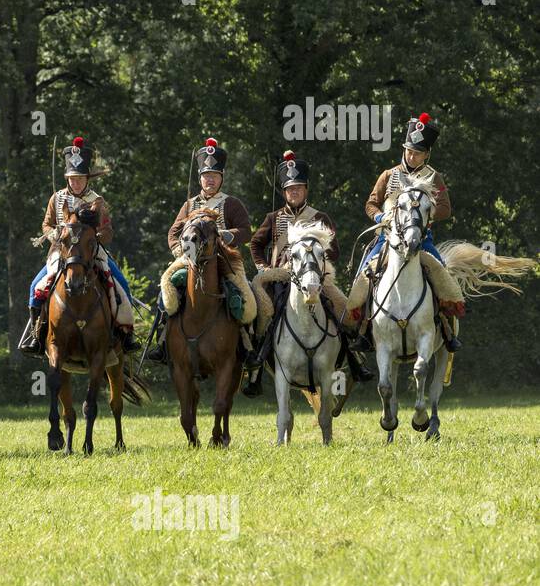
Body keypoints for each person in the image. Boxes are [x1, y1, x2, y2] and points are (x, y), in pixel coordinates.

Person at [241, 150, 372, 396]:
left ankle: (355, 362)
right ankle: (255, 370)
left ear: (306, 189)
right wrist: (264, 267)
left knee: (341, 312)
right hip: (280, 275)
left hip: (315, 278)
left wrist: (318, 265)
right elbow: (256, 244)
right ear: (284, 192)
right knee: (262, 315)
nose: (294, 192)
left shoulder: (319, 218)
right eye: (290, 189)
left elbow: (334, 251)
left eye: (298, 188)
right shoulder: (274, 218)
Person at [350, 112, 461, 352]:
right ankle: (363, 330)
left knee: (443, 278)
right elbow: (370, 203)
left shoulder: (433, 177)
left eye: (417, 152)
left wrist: (424, 214)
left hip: (422, 240)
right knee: (363, 276)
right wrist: (380, 216)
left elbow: (445, 209)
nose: (412, 156)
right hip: (386, 239)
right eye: (409, 151)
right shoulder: (388, 175)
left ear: (426, 154)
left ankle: (446, 326)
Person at [18, 136, 138, 354]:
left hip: (92, 251)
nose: (76, 182)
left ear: (87, 178)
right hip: (61, 252)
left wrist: (94, 237)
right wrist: (53, 232)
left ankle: (125, 333)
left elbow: (108, 232)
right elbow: (46, 224)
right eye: (72, 178)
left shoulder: (97, 201)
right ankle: (37, 334)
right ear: (67, 178)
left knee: (121, 284)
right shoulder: (56, 198)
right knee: (36, 286)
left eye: (80, 178)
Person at [145, 137, 253, 363]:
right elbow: (173, 233)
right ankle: (162, 341)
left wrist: (226, 235)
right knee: (164, 291)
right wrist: (179, 251)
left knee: (247, 298)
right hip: (190, 259)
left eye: (214, 176)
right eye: (206, 176)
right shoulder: (189, 204)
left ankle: (247, 343)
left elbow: (246, 231)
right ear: (200, 178)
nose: (210, 180)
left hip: (226, 260)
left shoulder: (231, 203)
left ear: (221, 177)